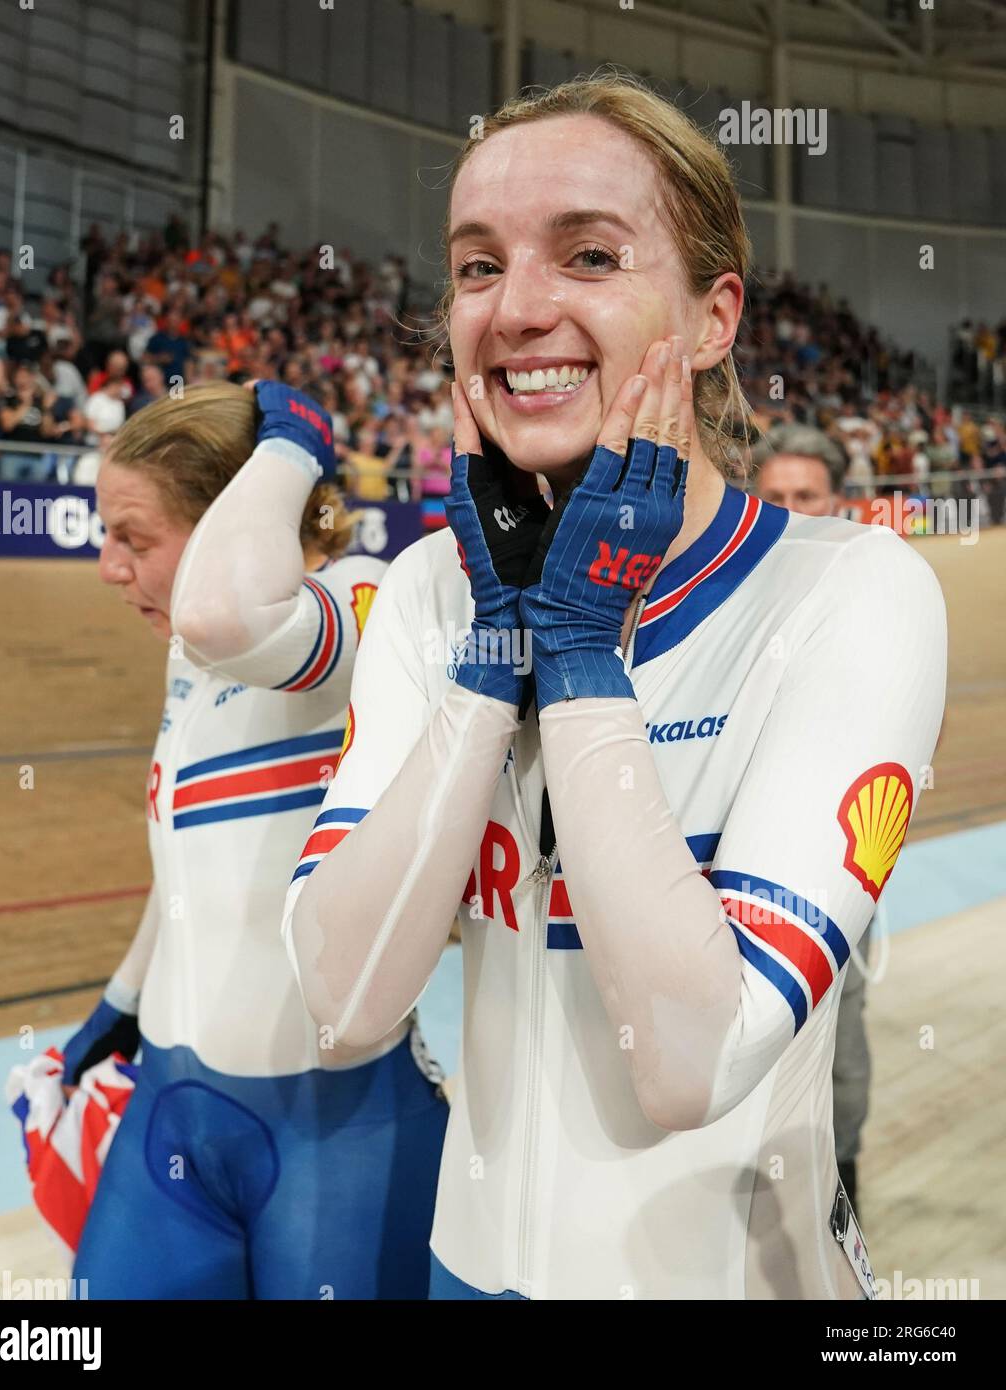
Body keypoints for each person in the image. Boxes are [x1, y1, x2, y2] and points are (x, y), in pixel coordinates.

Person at [281, 74, 946, 1300]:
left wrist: (580, 651)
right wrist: (498, 654)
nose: (518, 308)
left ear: (710, 318)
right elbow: (343, 1001)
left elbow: (691, 1065)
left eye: (588, 253)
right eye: (476, 267)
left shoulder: (850, 594)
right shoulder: (433, 592)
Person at [67, 381, 447, 1298]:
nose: (110, 567)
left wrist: (291, 447)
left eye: (135, 539)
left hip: (337, 1131)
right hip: (170, 1105)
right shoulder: (186, 664)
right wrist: (123, 997)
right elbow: (186, 861)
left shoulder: (363, 596)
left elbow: (226, 611)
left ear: (235, 514)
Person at [749, 422, 872, 1216]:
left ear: (840, 506)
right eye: (776, 498)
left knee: (840, 1063)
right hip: (734, 882)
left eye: (807, 498)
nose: (792, 512)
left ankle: (840, 1220)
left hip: (833, 884)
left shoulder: (874, 605)